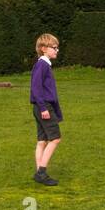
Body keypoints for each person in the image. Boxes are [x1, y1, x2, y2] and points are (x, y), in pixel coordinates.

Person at [30, 33, 62, 186]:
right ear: (43, 49)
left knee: (42, 141)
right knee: (55, 138)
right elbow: (36, 89)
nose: (57, 50)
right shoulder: (42, 65)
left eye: (57, 48)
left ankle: (39, 173)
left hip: (42, 106)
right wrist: (44, 108)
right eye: (54, 48)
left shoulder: (44, 65)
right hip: (43, 107)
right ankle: (42, 172)